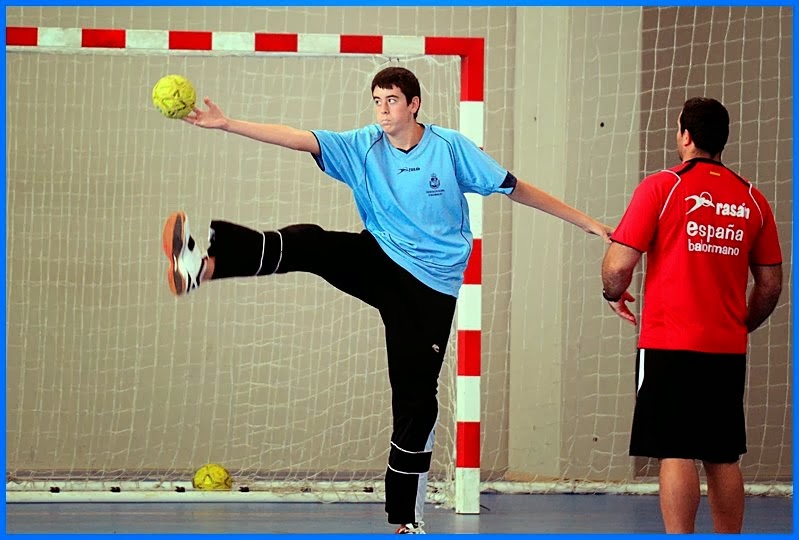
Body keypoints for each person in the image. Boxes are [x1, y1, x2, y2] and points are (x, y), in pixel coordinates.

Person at [163, 66, 611, 534]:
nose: (382, 110)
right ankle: (204, 264)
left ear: (414, 104)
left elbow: (517, 189)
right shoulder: (363, 145)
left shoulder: (450, 148)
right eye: (377, 100)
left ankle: (406, 520)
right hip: (379, 258)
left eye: (392, 100)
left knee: (416, 402)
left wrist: (587, 223)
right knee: (310, 242)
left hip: (429, 288)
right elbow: (298, 138)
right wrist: (227, 123)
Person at [601, 97, 782, 533]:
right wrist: (741, 325)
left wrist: (613, 294)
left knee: (675, 450)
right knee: (722, 454)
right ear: (723, 140)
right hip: (725, 348)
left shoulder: (661, 187)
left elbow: (618, 266)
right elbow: (770, 285)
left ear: (685, 136)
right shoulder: (753, 199)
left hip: (668, 343)